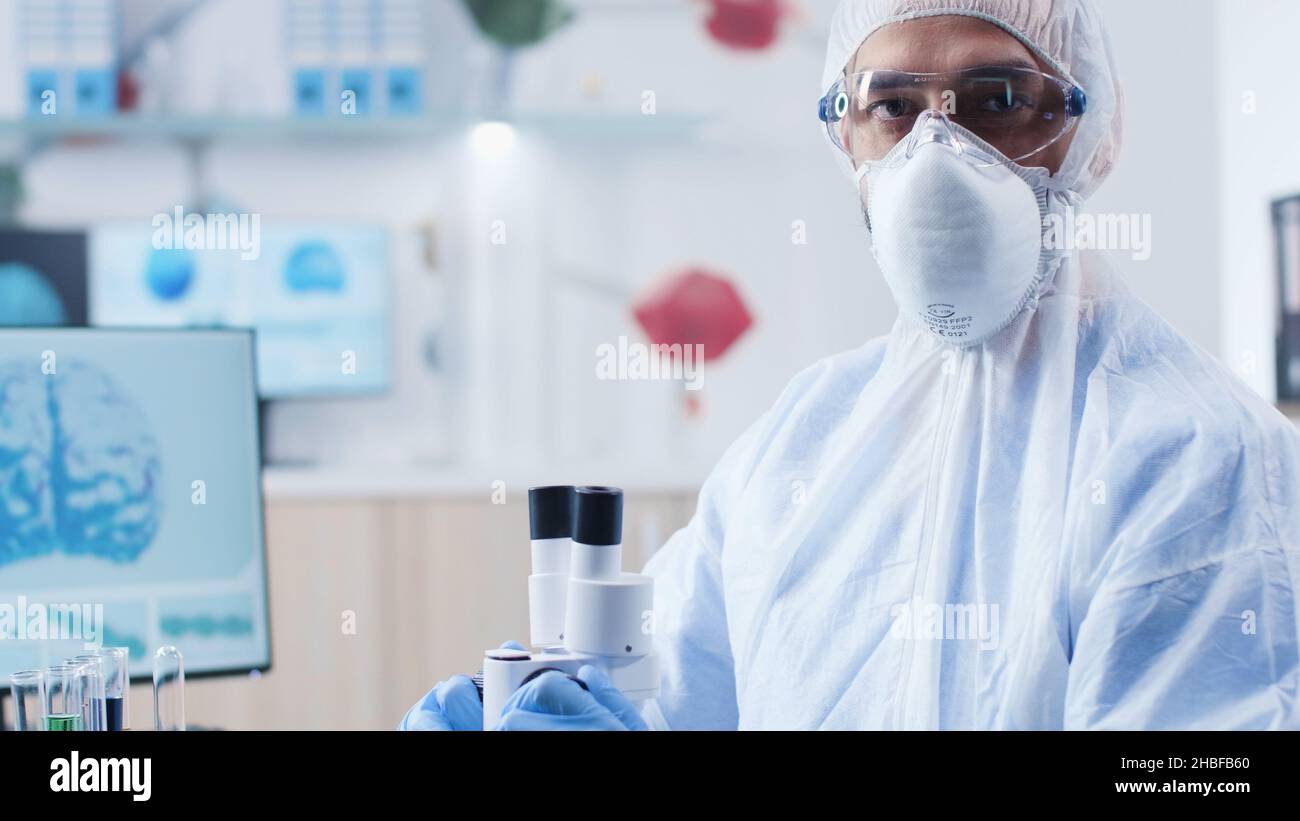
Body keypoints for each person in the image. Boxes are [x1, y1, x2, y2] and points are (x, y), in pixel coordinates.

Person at [403, 0, 1300, 730]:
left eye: (997, 100)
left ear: (1089, 127)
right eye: (893, 107)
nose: (937, 156)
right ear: (847, 137)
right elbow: (671, 690)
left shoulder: (1198, 458)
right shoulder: (801, 441)